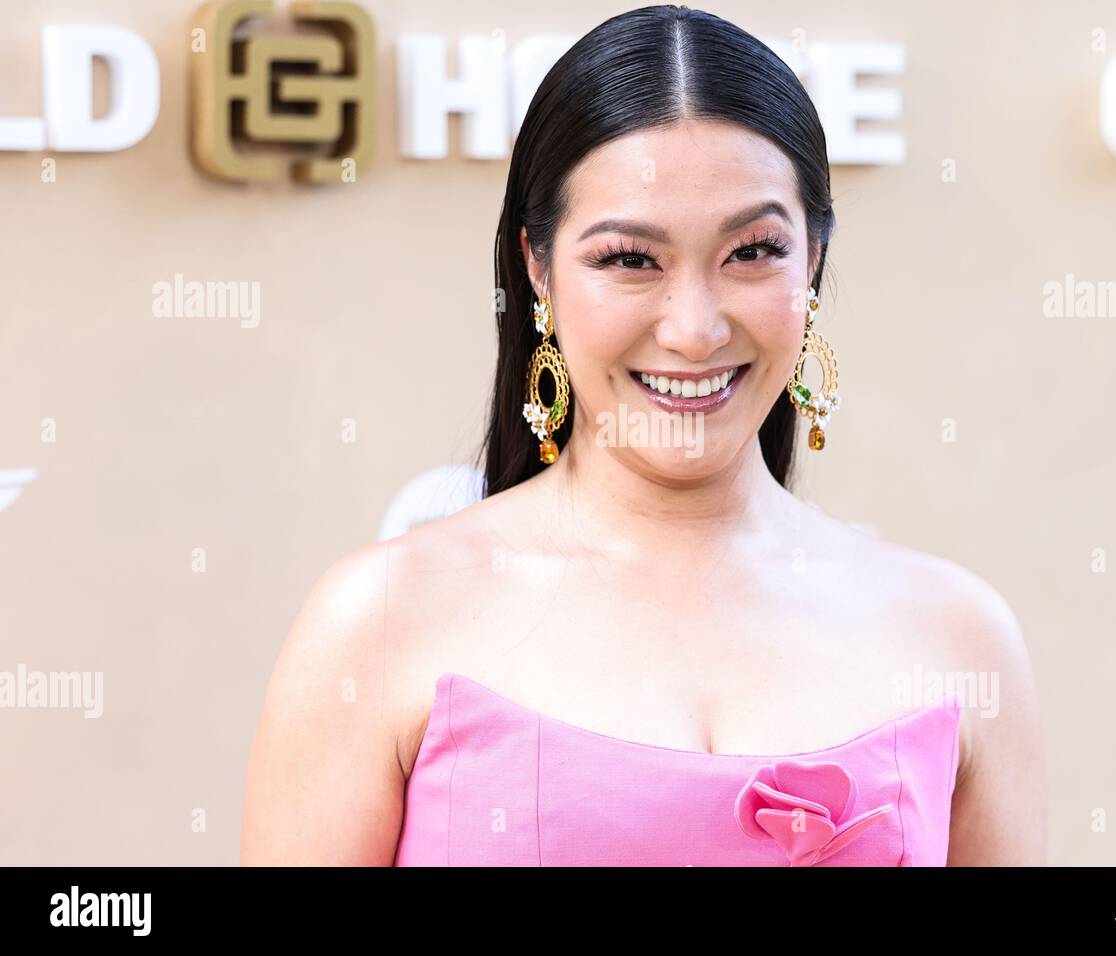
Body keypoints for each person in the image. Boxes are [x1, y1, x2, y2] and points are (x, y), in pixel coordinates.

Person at [240, 4, 1047, 866]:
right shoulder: (381, 621)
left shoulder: (957, 636)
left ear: (812, 260)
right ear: (537, 270)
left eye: (753, 251)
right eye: (630, 259)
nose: (695, 329)